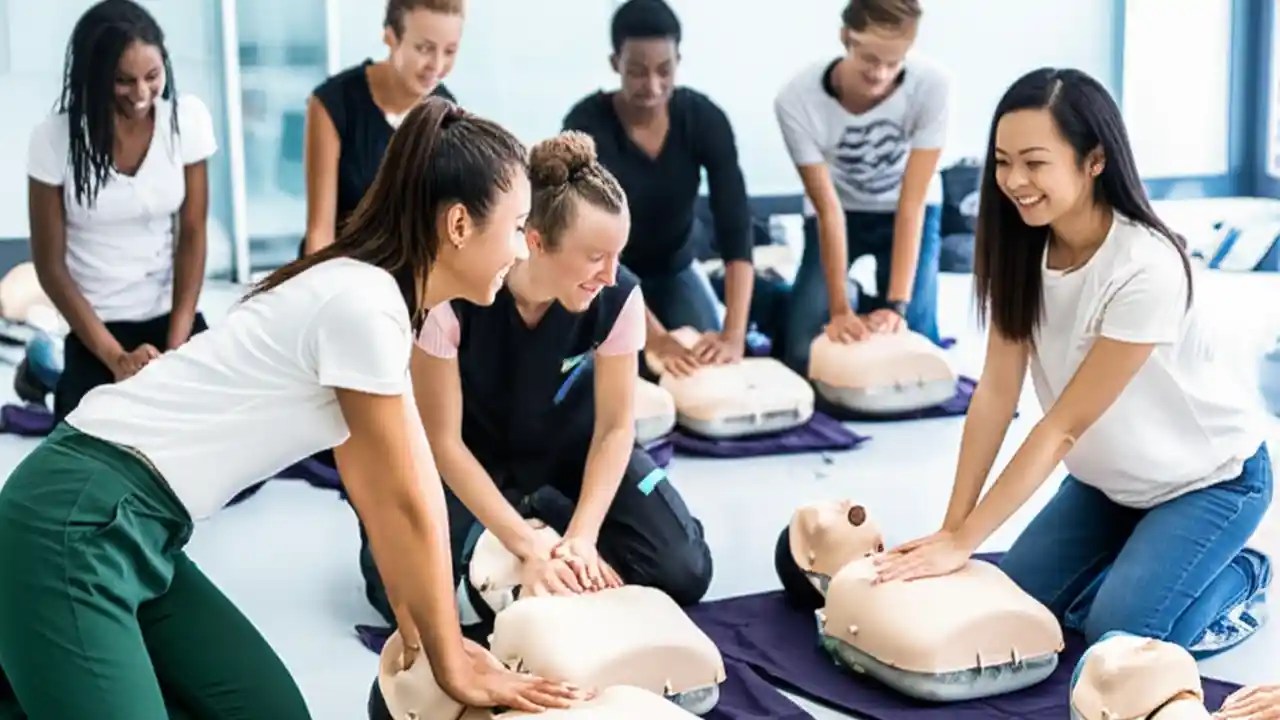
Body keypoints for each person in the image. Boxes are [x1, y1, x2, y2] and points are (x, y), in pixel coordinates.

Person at [0, 98, 580, 718]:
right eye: (518, 226)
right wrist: (451, 661)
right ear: (460, 225)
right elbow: (412, 502)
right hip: (75, 521)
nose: (523, 250)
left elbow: (381, 494)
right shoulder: (364, 304)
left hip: (144, 530)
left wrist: (423, 637)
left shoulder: (375, 300)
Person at [874, 68, 1274, 660]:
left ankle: (1243, 571)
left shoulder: (1146, 266)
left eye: (1035, 163)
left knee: (1115, 637)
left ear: (1093, 161)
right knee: (1015, 605)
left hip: (1210, 481)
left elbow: (1062, 426)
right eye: (1003, 161)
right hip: (1109, 486)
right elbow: (994, 396)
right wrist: (953, 532)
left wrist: (966, 541)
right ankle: (1144, 556)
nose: (1013, 181)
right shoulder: (1020, 248)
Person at [362, 129, 713, 630]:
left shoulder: (619, 299)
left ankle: (555, 523)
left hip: (566, 457)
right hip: (467, 466)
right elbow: (443, 443)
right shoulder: (451, 297)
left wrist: (582, 538)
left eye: (618, 256)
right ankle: (527, 526)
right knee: (410, 590)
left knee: (684, 568)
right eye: (596, 258)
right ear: (535, 242)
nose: (611, 275)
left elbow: (615, 429)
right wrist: (524, 543)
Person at [27, 0, 216, 423]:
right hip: (98, 327)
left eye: (153, 76)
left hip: (172, 317)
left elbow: (193, 232)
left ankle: (46, 368)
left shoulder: (187, 120)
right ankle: (46, 369)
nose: (142, 94)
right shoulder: (54, 139)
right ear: (94, 77)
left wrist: (177, 347)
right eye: (123, 81)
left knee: (229, 459)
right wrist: (116, 359)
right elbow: (50, 266)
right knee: (100, 461)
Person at [564, 0, 754, 377]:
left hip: (674, 268)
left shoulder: (703, 119)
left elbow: (736, 226)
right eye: (636, 72)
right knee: (624, 368)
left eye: (664, 71)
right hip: (601, 274)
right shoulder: (585, 126)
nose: (652, 86)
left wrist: (734, 334)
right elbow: (584, 243)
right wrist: (652, 335)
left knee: (706, 365)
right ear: (614, 63)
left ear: (679, 61)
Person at [774, 0, 948, 374]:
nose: (881, 74)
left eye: (894, 61)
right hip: (839, 210)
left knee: (916, 341)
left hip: (907, 209)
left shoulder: (933, 86)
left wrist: (897, 306)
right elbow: (827, 208)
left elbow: (912, 203)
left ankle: (876, 304)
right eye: (869, 59)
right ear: (845, 39)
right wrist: (839, 309)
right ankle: (830, 296)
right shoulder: (796, 99)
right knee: (804, 352)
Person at [301, 0, 465, 257]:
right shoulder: (332, 103)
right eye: (424, 48)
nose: (437, 64)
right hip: (335, 268)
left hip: (405, 277)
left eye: (450, 51)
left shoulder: (447, 113)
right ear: (390, 38)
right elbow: (319, 233)